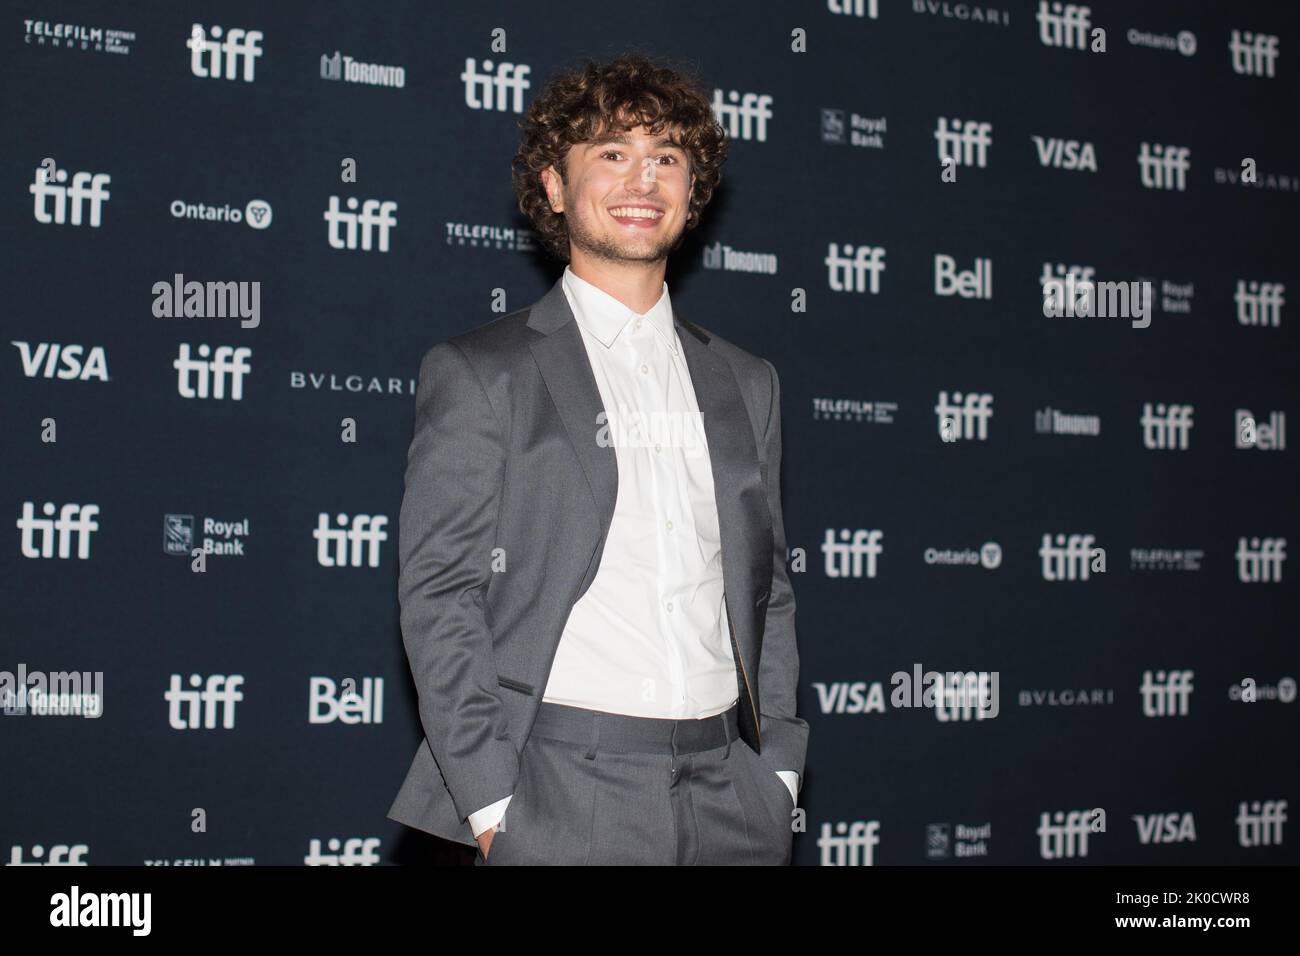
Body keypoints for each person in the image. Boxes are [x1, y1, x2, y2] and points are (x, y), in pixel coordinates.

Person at [387, 52, 808, 864]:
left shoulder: (747, 383)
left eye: (666, 158)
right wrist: (491, 802)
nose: (642, 180)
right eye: (612, 155)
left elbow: (770, 590)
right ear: (554, 188)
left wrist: (778, 772)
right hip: (559, 791)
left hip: (736, 798)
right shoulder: (484, 371)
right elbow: (440, 595)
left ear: (693, 191)